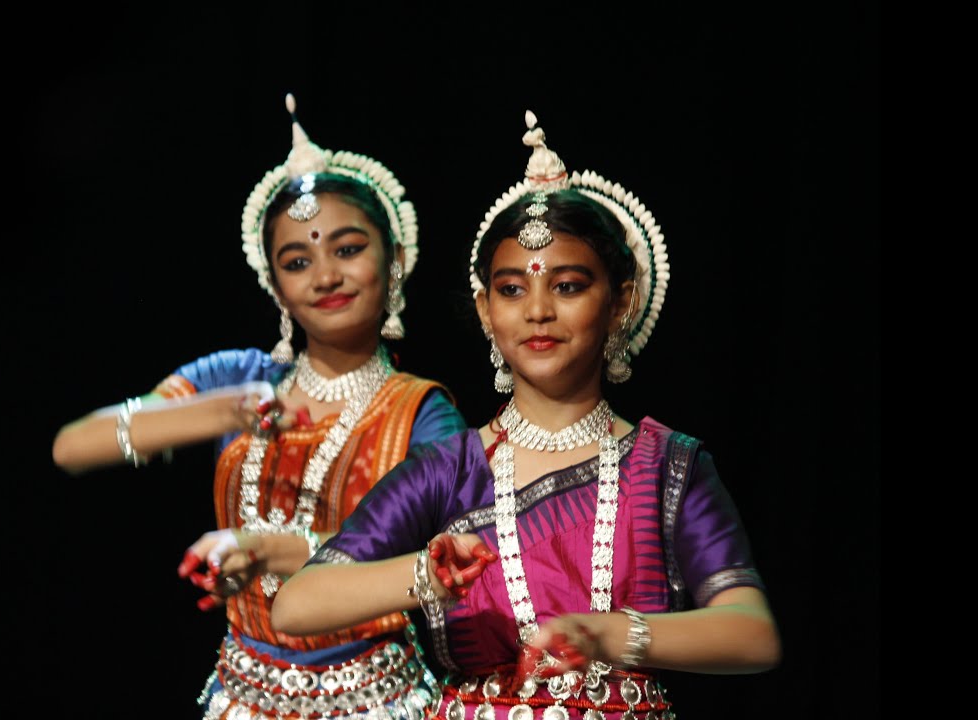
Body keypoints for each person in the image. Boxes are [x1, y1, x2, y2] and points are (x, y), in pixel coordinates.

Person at [271, 111, 780, 720]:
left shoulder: (668, 465)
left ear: (621, 300)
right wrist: (424, 577)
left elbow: (752, 633)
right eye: (512, 290)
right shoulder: (449, 470)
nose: (537, 310)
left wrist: (608, 634)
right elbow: (296, 604)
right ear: (486, 311)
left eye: (567, 286)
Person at [51, 95, 467, 720]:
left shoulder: (421, 413)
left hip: (377, 700)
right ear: (276, 287)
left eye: (348, 249)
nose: (325, 276)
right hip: (241, 699)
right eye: (297, 262)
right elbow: (75, 446)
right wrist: (226, 412)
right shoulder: (237, 379)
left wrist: (264, 548)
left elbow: (433, 564)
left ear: (396, 261)